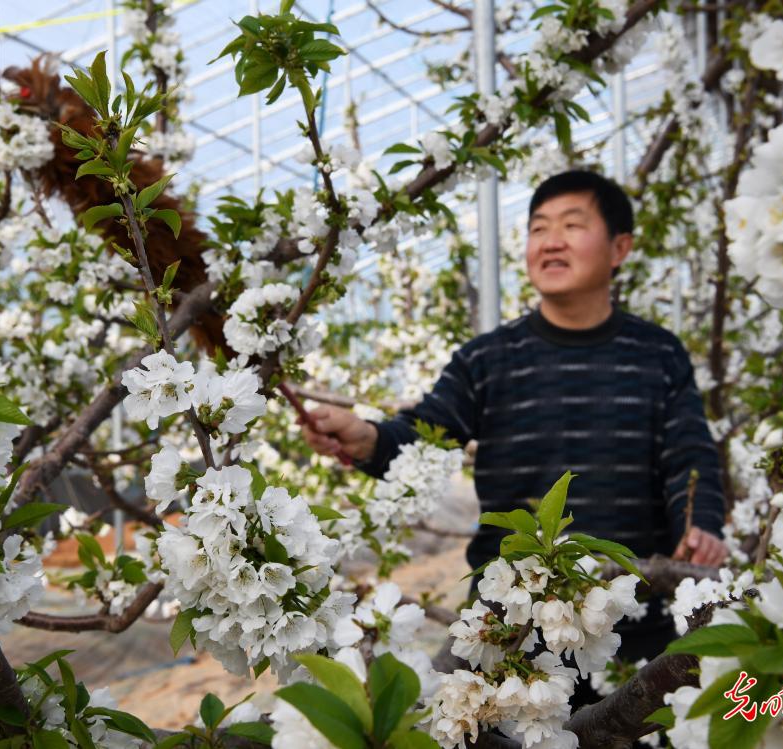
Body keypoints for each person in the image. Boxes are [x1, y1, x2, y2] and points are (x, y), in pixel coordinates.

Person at [300, 170, 727, 704]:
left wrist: (701, 525)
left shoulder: (658, 354)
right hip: (514, 625)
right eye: (538, 228)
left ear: (620, 247)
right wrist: (365, 438)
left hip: (635, 625)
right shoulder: (485, 360)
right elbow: (429, 435)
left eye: (573, 225)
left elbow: (690, 453)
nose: (550, 241)